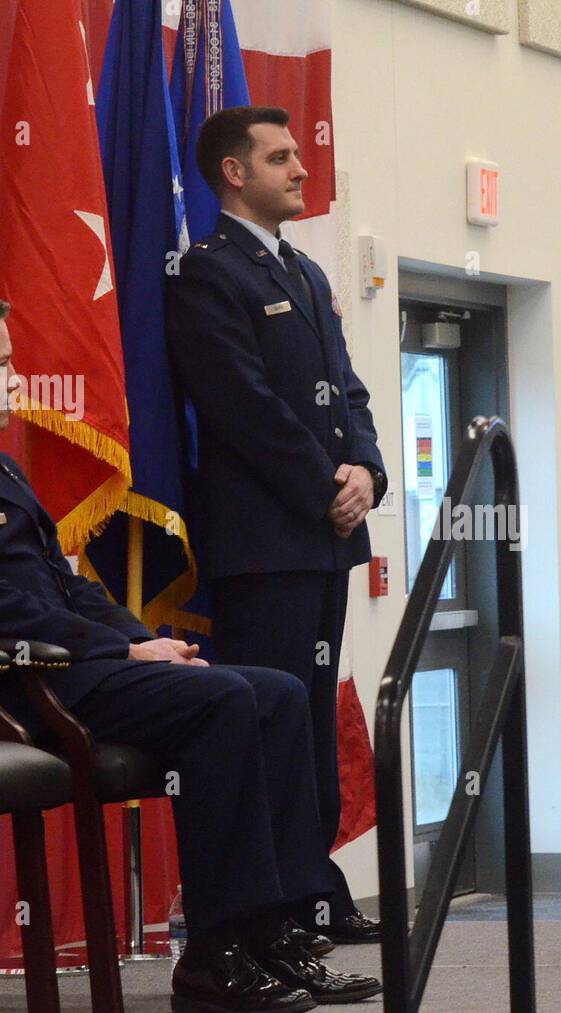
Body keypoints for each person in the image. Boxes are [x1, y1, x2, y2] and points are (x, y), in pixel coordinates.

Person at [0, 287, 382, 1013]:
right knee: (225, 700)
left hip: (63, 669)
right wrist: (121, 654)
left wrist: (141, 639)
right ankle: (214, 959)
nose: (18, 379)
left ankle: (275, 931)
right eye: (3, 365)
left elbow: (65, 587)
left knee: (279, 691)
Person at [166, 106, 387, 943]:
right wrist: (321, 485)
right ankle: (276, 905)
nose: (300, 169)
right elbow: (238, 407)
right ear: (233, 172)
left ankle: (313, 890)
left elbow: (349, 389)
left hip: (324, 536)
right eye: (281, 157)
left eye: (298, 155)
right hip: (265, 541)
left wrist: (367, 470)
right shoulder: (209, 273)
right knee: (273, 725)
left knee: (312, 722)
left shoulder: (299, 268)